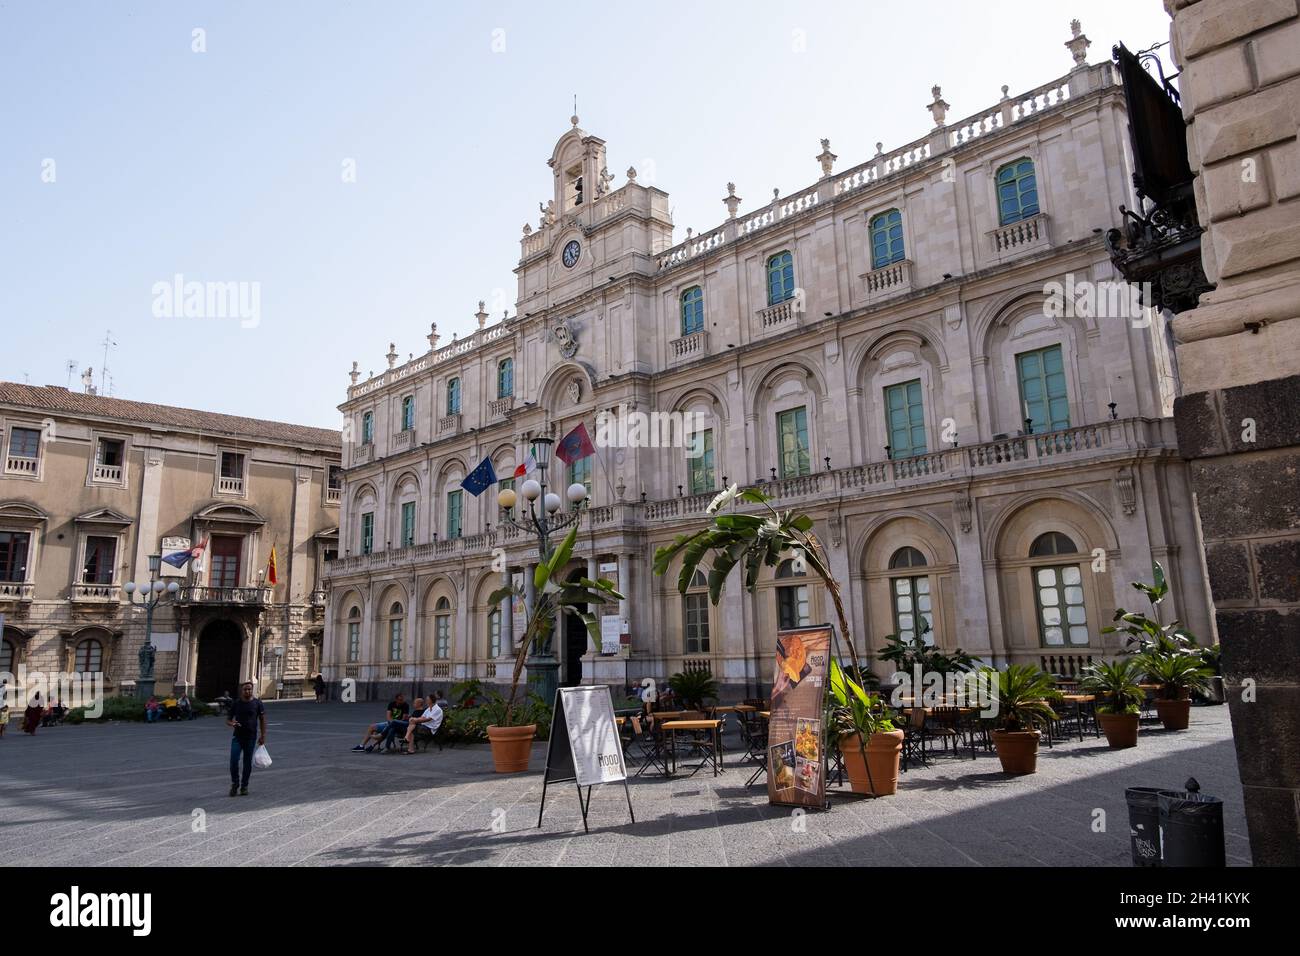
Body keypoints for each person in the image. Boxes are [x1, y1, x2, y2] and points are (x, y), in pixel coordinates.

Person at [226, 681, 266, 797]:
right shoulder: (236, 703)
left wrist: (263, 735)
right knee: (234, 760)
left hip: (251, 737)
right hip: (237, 737)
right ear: (241, 691)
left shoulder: (257, 703)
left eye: (249, 689)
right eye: (245, 689)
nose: (248, 691)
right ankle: (235, 783)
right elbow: (228, 719)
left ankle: (244, 786)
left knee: (247, 762)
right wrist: (232, 723)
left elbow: (262, 719)